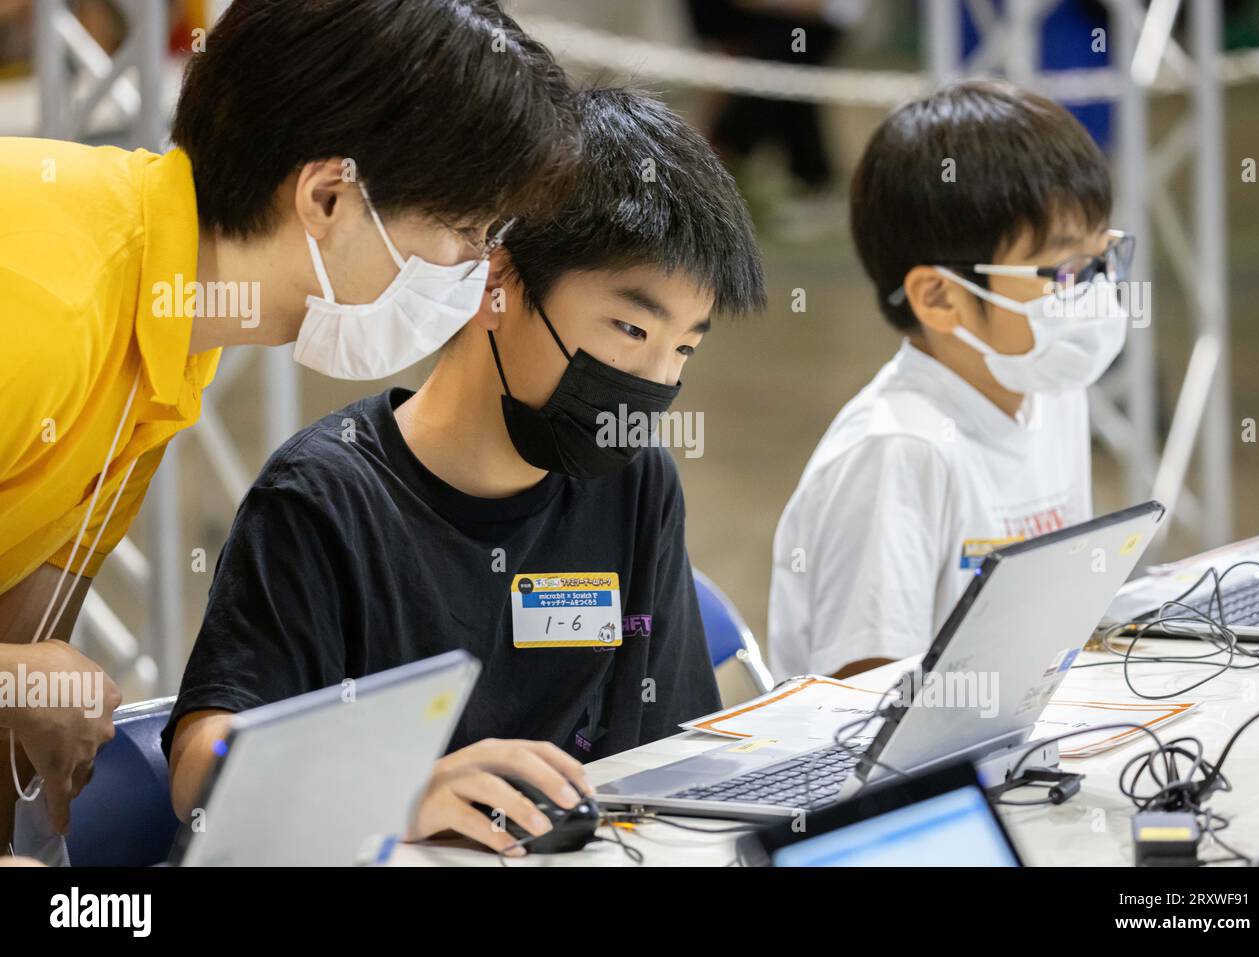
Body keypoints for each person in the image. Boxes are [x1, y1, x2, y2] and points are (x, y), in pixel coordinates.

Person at [0, 0, 579, 851]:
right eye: (465, 230)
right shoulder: (44, 302)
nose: (476, 272)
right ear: (329, 195)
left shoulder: (169, 330)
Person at [164, 87, 767, 855]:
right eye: (630, 327)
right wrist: (390, 792)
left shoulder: (634, 482)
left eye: (683, 349)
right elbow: (199, 766)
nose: (651, 380)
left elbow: (668, 756)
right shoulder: (325, 497)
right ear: (498, 280)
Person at [768, 80, 1134, 680]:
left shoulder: (1053, 392)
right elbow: (866, 715)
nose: (1097, 291)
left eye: (1104, 260)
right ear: (940, 297)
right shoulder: (896, 453)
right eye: (1067, 271)